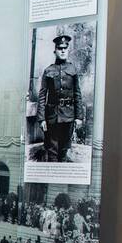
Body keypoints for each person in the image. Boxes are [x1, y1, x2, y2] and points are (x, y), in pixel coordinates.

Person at [39, 33, 84, 163]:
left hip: (69, 116)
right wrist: (41, 119)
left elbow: (77, 94)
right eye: (60, 48)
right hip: (52, 117)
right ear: (55, 51)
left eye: (65, 48)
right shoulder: (48, 71)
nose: (63, 50)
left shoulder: (73, 69)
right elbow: (42, 95)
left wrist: (79, 117)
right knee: (52, 151)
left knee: (64, 151)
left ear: (68, 50)